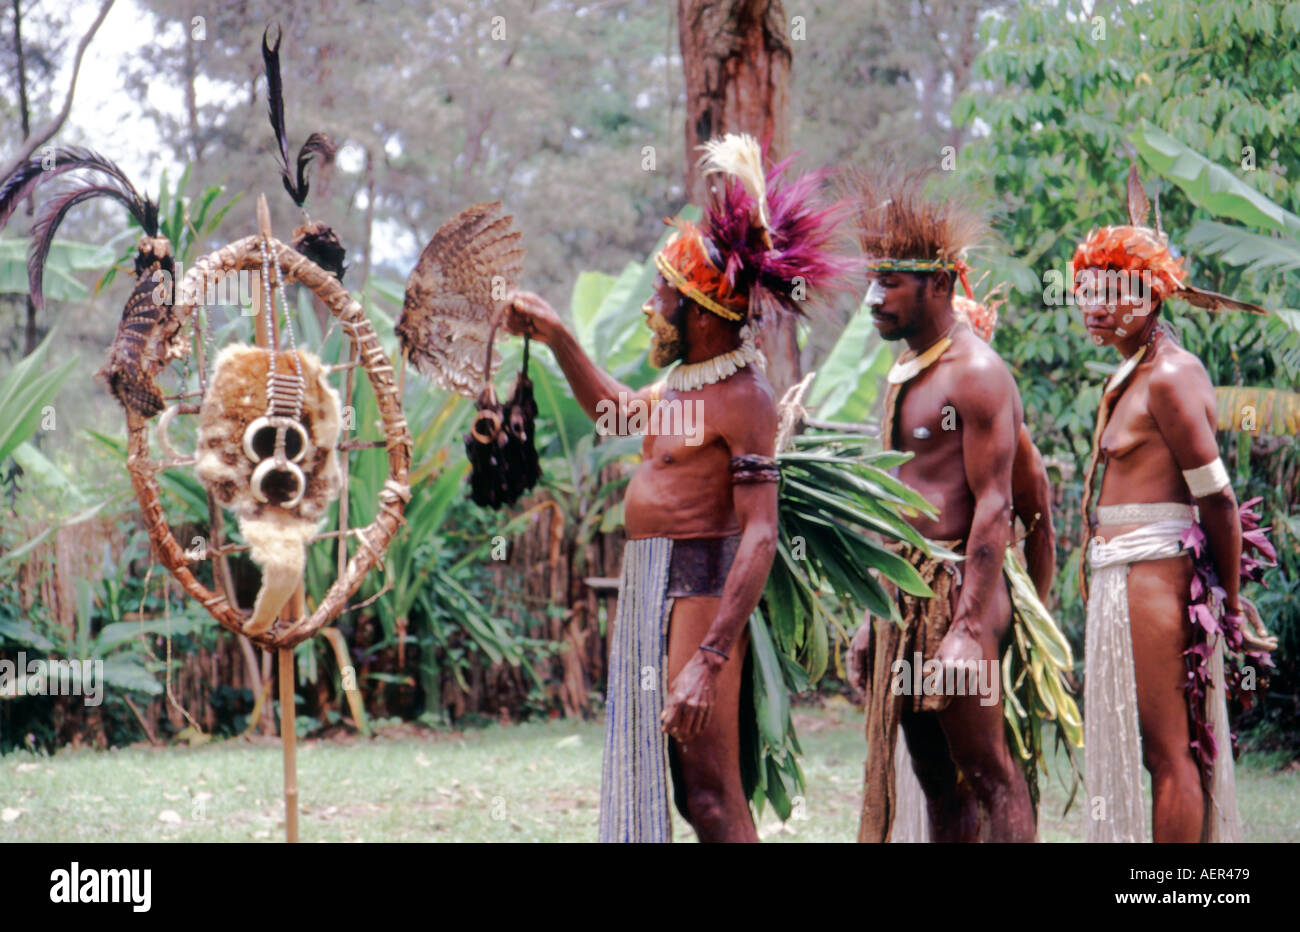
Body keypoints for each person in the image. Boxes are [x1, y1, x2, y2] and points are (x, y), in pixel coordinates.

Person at [504, 134, 851, 842]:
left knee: (713, 794)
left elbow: (760, 530)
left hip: (698, 588)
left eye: (663, 293)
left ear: (698, 309)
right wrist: (557, 334)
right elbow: (611, 414)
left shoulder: (744, 397)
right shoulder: (685, 386)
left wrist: (711, 657)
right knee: (688, 795)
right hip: (650, 585)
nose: (651, 304)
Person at [845, 167, 1076, 843]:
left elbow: (997, 506)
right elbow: (897, 504)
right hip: (908, 590)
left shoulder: (974, 373)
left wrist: (970, 625)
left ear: (939, 285)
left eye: (890, 282)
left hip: (958, 586)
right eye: (872, 280)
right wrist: (875, 611)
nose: (873, 298)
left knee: (988, 771)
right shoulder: (908, 371)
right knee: (935, 777)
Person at [1072, 166, 1277, 843]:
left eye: (1115, 292)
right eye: (1088, 291)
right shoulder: (1127, 372)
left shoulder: (1171, 376)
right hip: (1124, 576)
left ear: (1155, 294)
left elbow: (1215, 498)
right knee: (1155, 750)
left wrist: (1227, 595)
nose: (1095, 306)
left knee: (1172, 754)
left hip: (1156, 579)